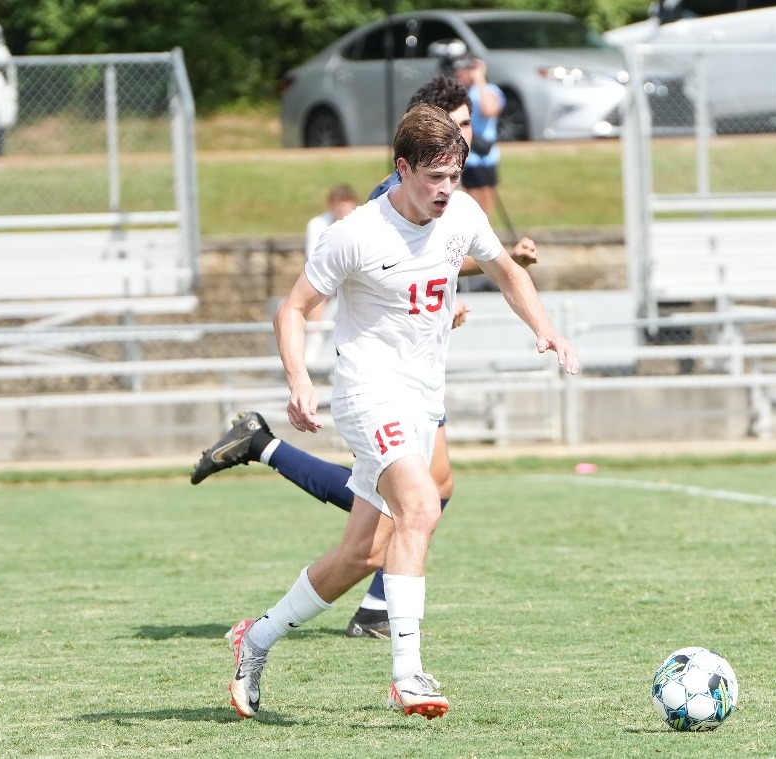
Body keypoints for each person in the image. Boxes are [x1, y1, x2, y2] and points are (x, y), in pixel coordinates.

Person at [221, 104, 579, 722]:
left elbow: (506, 273)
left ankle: (255, 640)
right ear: (402, 169)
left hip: (421, 398)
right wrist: (300, 380)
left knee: (361, 555)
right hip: (365, 390)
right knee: (421, 505)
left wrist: (545, 328)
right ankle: (408, 675)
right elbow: (293, 308)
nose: (446, 191)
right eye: (435, 177)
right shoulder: (356, 232)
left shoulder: (464, 213)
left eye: (455, 176)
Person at [191, 75, 537, 641]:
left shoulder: (447, 193)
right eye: (461, 122)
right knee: (424, 495)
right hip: (381, 381)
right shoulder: (388, 203)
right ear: (412, 155)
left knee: (369, 542)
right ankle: (399, 651)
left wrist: (452, 296)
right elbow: (369, 276)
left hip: (419, 377)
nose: (468, 135)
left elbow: (435, 261)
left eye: (469, 126)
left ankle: (265, 631)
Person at [303, 183, 358, 370]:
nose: (342, 208)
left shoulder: (362, 222)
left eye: (346, 203)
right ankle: (313, 342)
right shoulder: (317, 224)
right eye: (338, 203)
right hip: (329, 278)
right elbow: (315, 258)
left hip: (354, 278)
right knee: (316, 293)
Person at [453, 57, 504, 221]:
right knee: (468, 206)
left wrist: (479, 78)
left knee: (484, 208)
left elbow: (489, 110)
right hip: (468, 157)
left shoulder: (490, 90)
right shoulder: (460, 93)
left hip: (485, 157)